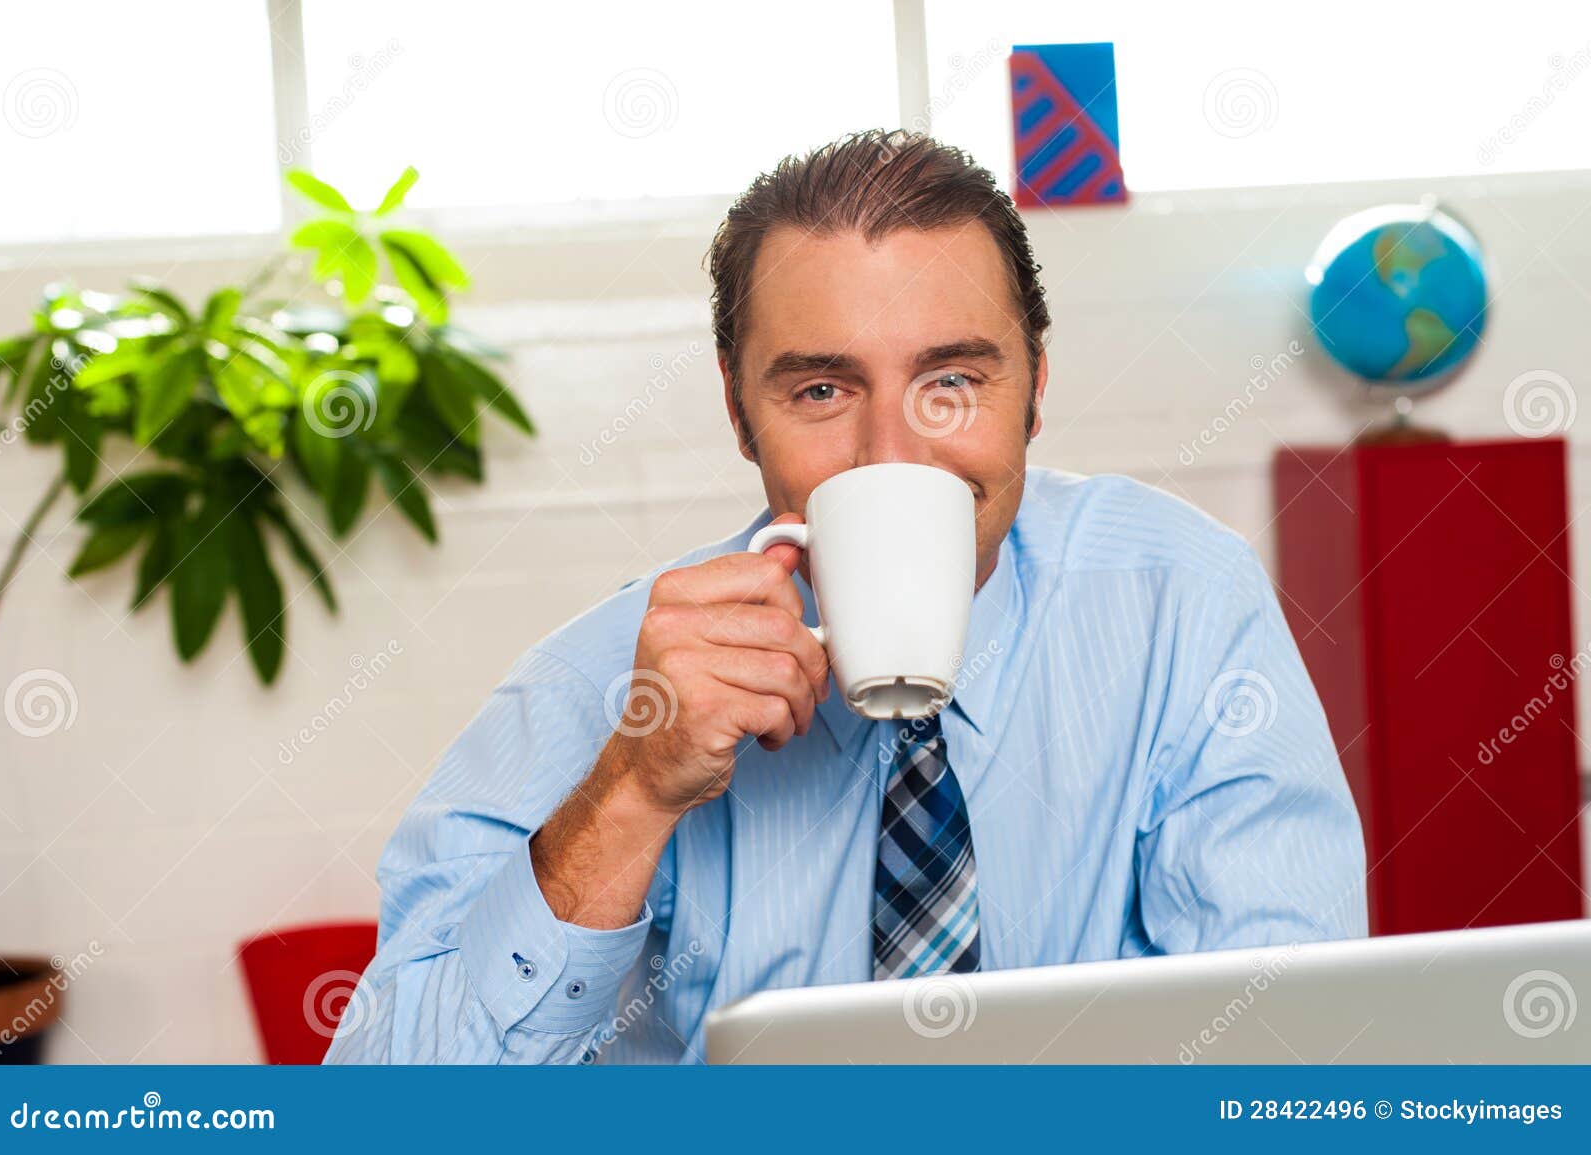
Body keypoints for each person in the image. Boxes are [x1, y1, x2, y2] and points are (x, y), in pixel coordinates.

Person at [326, 130, 1366, 1065]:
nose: (891, 454)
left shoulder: (1181, 601)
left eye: (951, 379)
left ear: (1035, 391)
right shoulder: (596, 684)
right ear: (742, 417)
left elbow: (1297, 1046)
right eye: (821, 391)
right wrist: (634, 794)